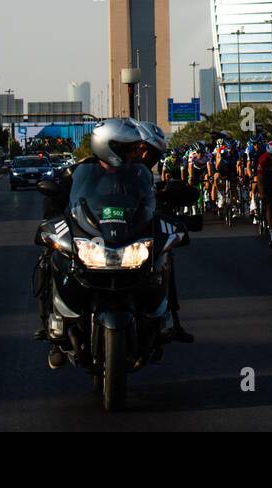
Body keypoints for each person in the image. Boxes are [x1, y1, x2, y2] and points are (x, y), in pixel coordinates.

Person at [33, 117, 194, 364]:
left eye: (136, 148)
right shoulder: (79, 172)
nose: (135, 153)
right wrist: (54, 224)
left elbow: (152, 200)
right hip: (91, 236)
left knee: (163, 256)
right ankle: (51, 326)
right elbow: (54, 198)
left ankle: (169, 317)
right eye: (128, 148)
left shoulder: (137, 175)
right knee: (51, 256)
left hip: (129, 236)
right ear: (110, 146)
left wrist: (168, 209)